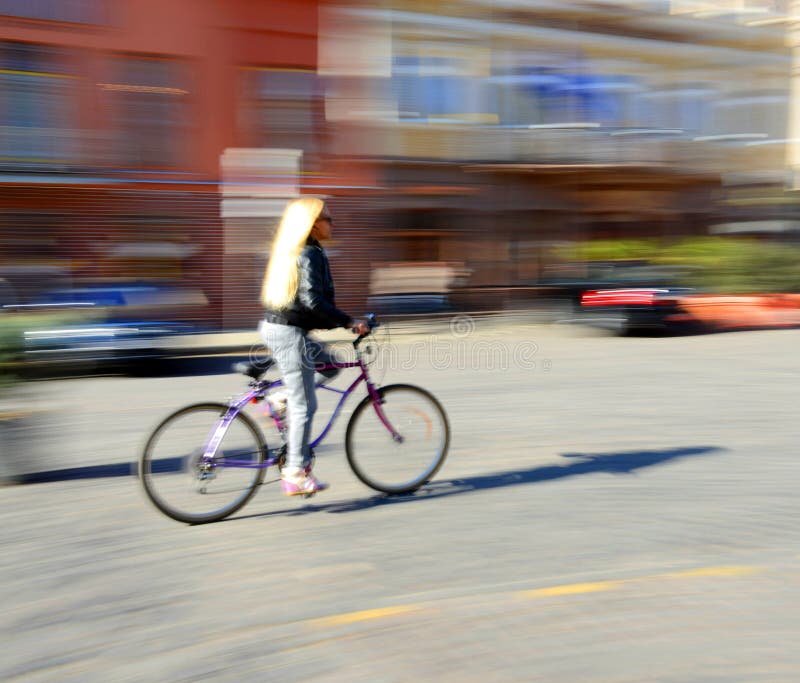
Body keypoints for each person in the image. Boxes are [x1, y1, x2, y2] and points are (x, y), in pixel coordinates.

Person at [259, 197, 369, 496]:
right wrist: (349, 322)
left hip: (278, 328)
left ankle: (279, 399)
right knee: (305, 405)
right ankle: (294, 473)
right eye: (328, 218)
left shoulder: (296, 250)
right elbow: (313, 301)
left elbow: (306, 302)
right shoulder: (309, 252)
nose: (332, 223)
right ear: (312, 223)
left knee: (330, 365)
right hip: (289, 334)